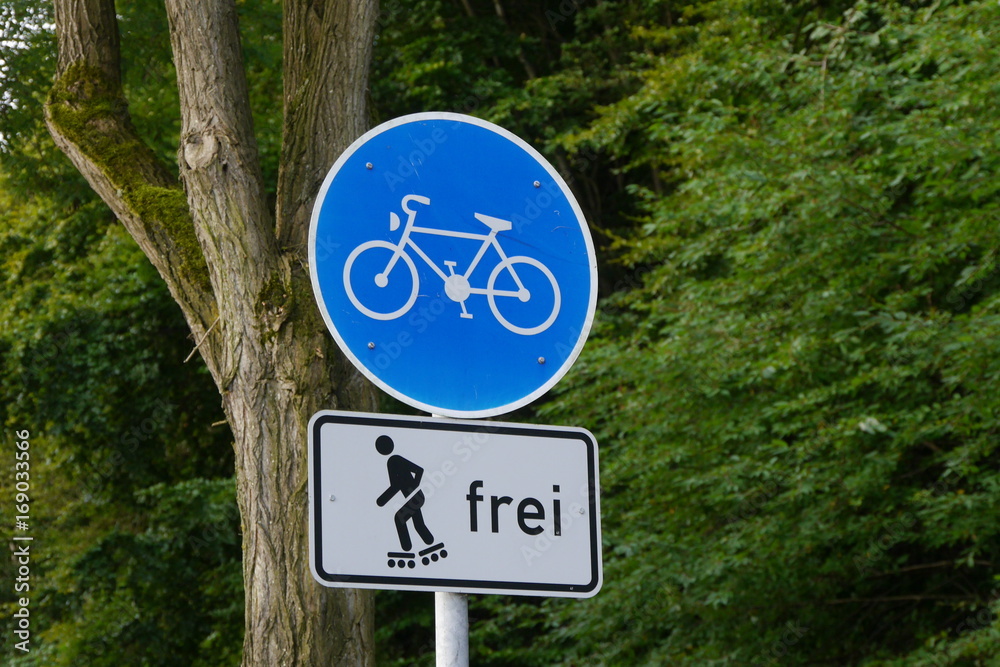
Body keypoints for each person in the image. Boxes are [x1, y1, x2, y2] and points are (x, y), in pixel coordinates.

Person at [375, 435, 434, 551]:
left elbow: (419, 470)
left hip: (416, 496)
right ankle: (429, 541)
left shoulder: (395, 460)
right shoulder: (391, 461)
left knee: (399, 518)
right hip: (413, 497)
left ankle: (406, 548)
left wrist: (414, 487)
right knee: (418, 523)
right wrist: (382, 500)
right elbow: (395, 485)